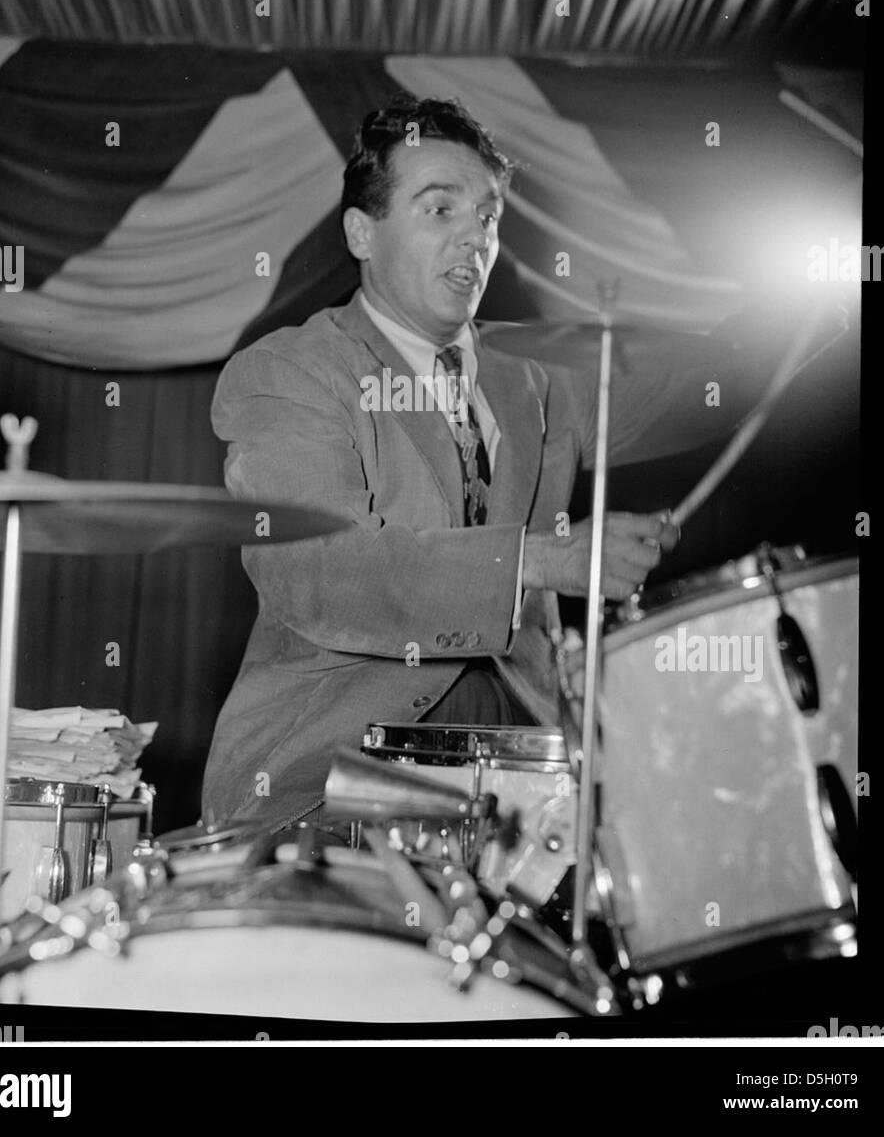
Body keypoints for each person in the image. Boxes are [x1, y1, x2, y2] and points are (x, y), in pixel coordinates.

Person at [201, 96, 678, 833]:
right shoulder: (289, 372)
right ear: (362, 232)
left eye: (487, 217)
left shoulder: (538, 373)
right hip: (332, 780)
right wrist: (539, 561)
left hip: (529, 780)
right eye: (439, 211)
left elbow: (698, 391)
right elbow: (319, 569)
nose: (473, 241)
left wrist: (805, 331)